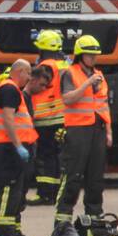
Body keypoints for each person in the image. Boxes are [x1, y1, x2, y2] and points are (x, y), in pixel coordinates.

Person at [50, 35, 112, 236]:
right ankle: (62, 225)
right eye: (89, 54)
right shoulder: (70, 73)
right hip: (77, 129)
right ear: (80, 55)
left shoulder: (100, 75)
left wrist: (109, 132)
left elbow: (103, 106)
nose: (93, 58)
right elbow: (68, 99)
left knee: (95, 179)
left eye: (95, 54)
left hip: (98, 129)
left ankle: (94, 223)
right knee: (73, 176)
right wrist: (86, 83)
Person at [0, 60, 37, 236]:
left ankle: (14, 230)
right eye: (28, 73)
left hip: (12, 145)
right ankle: (3, 234)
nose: (29, 77)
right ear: (20, 71)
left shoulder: (13, 90)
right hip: (7, 147)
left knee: (17, 191)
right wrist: (17, 145)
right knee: (8, 189)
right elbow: (8, 118)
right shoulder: (8, 89)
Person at [29, 29, 70, 205]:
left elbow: (36, 86)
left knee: (45, 157)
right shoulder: (66, 65)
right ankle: (53, 192)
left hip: (45, 118)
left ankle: (45, 194)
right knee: (55, 156)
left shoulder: (46, 66)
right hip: (62, 116)